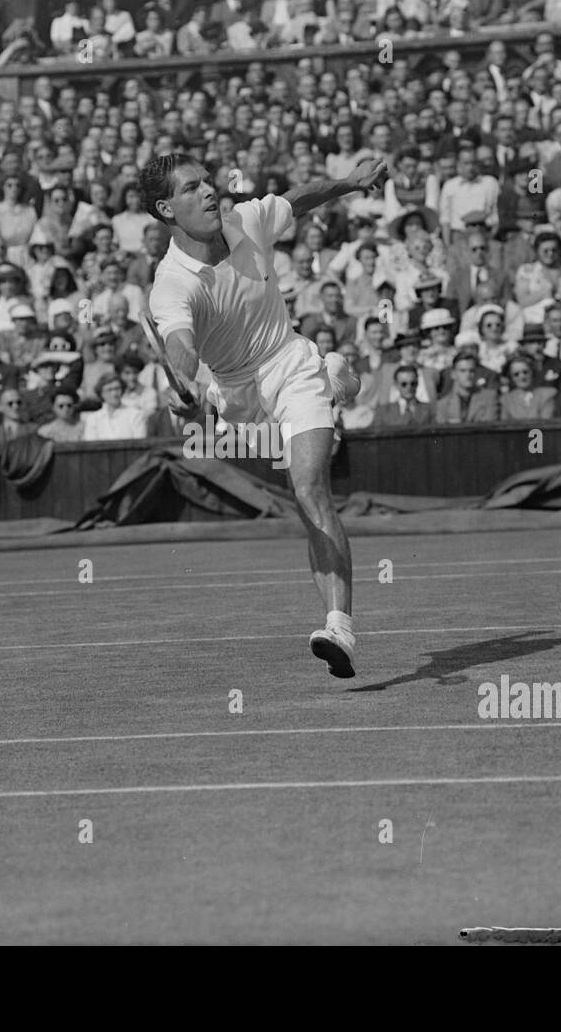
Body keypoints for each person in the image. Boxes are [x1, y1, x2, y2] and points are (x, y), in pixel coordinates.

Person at [142, 151, 382, 678]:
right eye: (190, 189)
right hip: (238, 403)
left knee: (308, 487)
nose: (209, 191)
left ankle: (339, 625)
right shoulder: (172, 285)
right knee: (301, 487)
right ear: (165, 209)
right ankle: (336, 377)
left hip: (289, 364)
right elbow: (180, 346)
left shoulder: (245, 220)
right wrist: (185, 386)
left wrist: (348, 182)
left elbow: (297, 199)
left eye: (208, 183)